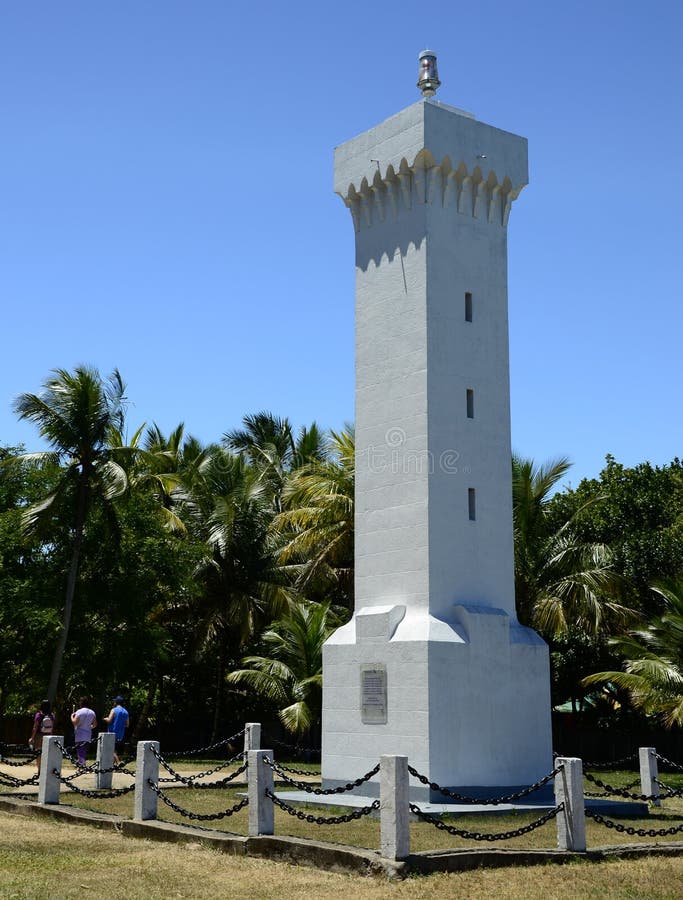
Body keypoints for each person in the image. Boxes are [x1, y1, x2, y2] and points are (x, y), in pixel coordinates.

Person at [70, 696, 97, 766]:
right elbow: (95, 724)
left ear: (81, 703)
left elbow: (75, 722)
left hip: (79, 734)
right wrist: (88, 727)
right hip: (88, 735)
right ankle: (81, 765)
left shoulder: (79, 712)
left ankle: (82, 765)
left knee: (79, 751)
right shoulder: (92, 712)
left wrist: (71, 717)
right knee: (83, 751)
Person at [102, 695, 129, 765]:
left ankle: (118, 762)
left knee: (110, 749)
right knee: (114, 749)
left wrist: (105, 719)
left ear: (116, 702)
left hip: (112, 732)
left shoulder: (113, 710)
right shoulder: (126, 712)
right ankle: (113, 766)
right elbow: (127, 724)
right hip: (121, 733)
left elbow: (109, 720)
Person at [28, 700, 55, 770]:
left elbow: (35, 727)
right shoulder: (52, 715)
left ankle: (40, 769)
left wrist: (32, 737)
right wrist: (51, 736)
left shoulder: (39, 715)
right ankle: (45, 769)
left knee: (39, 754)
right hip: (48, 736)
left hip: (39, 736)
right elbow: (52, 727)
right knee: (47, 753)